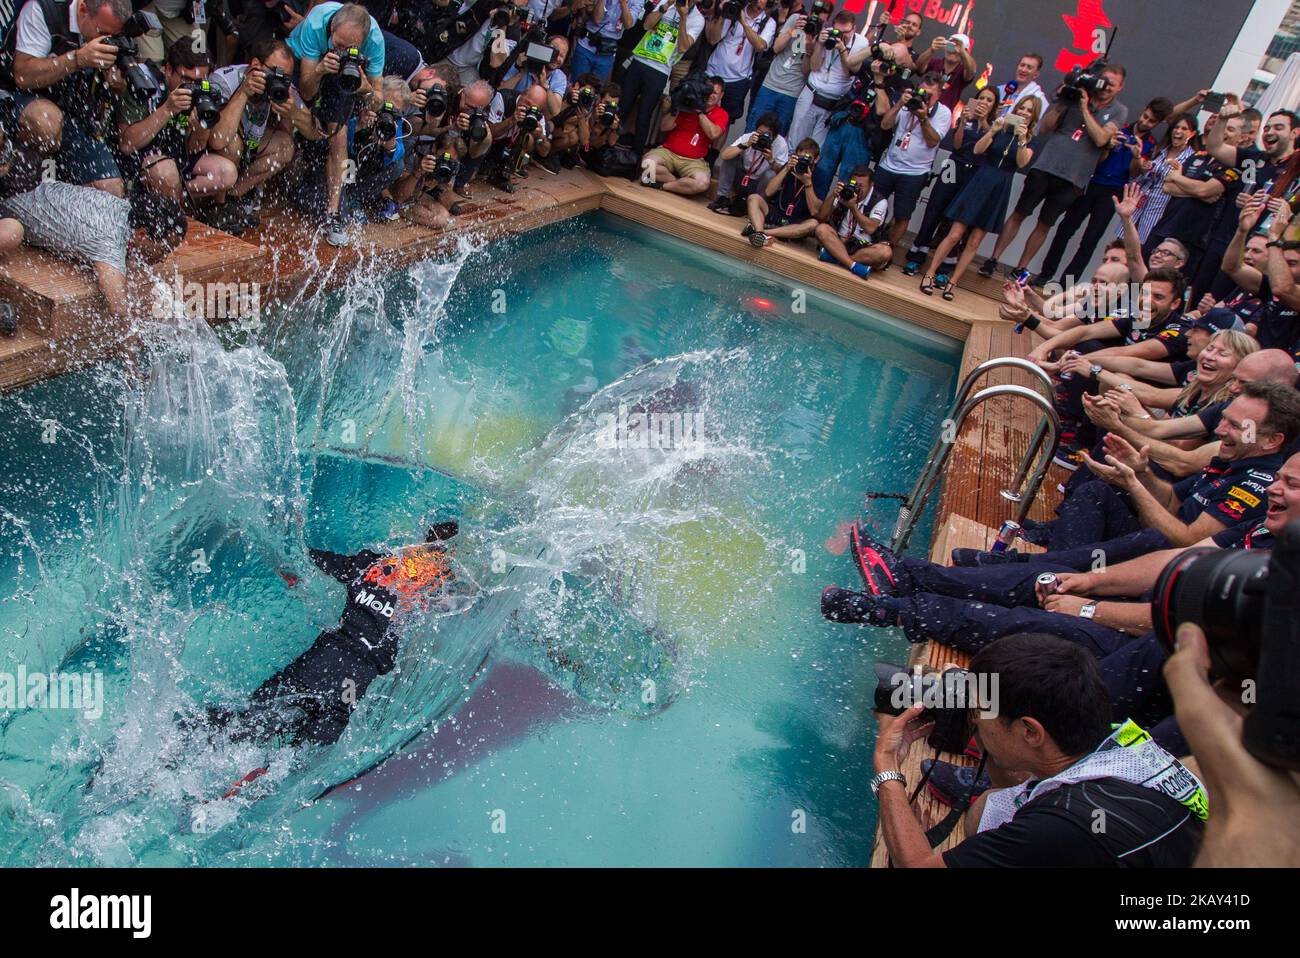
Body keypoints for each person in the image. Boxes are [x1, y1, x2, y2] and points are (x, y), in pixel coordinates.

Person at [871, 634, 1205, 867]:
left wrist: (889, 767)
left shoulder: (1063, 826)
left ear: (1030, 731)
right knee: (988, 808)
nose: (976, 718)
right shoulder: (1123, 745)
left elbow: (915, 865)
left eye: (980, 711)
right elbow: (1004, 793)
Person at [204, 522, 463, 747]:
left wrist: (288, 564)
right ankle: (270, 767)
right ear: (446, 556)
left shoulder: (375, 563)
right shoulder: (435, 586)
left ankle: (193, 734)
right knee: (309, 746)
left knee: (248, 721)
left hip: (323, 659)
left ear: (421, 540)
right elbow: (454, 608)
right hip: (353, 682)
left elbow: (311, 560)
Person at [980, 63, 1128, 280]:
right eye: (1103, 81)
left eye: (1111, 85)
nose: (1105, 87)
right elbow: (1045, 128)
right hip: (1046, 165)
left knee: (1045, 224)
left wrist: (1085, 108)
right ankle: (993, 259)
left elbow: (1101, 139)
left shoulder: (1118, 110)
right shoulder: (1076, 94)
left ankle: (1020, 268)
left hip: (1074, 178)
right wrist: (1063, 102)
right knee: (1020, 213)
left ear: (1120, 88)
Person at [1036, 97, 1171, 289]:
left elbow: (1134, 173)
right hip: (1092, 182)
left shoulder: (1150, 144)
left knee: (1090, 241)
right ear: (1144, 109)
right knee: (1065, 229)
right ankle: (1045, 274)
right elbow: (1096, 155)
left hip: (1114, 192)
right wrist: (1109, 145)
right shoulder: (1119, 128)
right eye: (1145, 116)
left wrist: (1136, 157)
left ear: (1157, 124)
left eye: (1151, 121)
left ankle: (1065, 284)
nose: (1145, 122)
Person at [2, 0, 134, 195]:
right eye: (101, 32)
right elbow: (23, 76)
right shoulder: (44, 10)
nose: (106, 40)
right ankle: (12, 182)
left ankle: (66, 207)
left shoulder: (110, 28)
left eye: (113, 36)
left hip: (73, 113)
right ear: (82, 8)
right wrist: (77, 59)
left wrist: (117, 84)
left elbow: (112, 94)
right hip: (19, 100)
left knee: (110, 190)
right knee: (46, 122)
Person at [918, 95, 1037, 300]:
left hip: (1000, 188)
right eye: (1022, 108)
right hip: (980, 181)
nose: (1024, 113)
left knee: (974, 242)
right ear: (1016, 110)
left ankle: (952, 283)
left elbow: (1020, 163)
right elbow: (977, 149)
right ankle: (930, 273)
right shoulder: (1000, 129)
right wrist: (993, 129)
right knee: (955, 234)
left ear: (1033, 117)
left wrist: (1022, 139)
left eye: (1029, 111)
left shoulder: (1028, 141)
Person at [286, 1, 386, 245]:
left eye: (347, 47)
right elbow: (308, 92)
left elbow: (377, 103)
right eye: (337, 43)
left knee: (338, 135)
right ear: (332, 28)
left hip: (347, 72)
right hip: (306, 60)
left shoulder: (375, 42)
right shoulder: (316, 24)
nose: (338, 49)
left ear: (361, 43)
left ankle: (333, 214)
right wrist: (320, 70)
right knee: (289, 113)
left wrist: (365, 90)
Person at [203, 39, 323, 234]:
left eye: (284, 76)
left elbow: (314, 133)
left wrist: (295, 113)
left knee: (285, 146)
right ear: (256, 65)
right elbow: (217, 138)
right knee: (232, 144)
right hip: (215, 156)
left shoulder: (282, 88)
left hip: (251, 146)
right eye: (273, 72)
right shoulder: (224, 79)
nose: (277, 79)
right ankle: (217, 205)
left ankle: (233, 199)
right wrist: (243, 92)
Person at [901, 84, 997, 279]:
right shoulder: (965, 116)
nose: (984, 103)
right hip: (954, 165)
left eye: (989, 100)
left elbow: (990, 151)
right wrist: (963, 123)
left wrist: (985, 122)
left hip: (975, 173)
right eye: (982, 98)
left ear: (994, 106)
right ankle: (916, 256)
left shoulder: (996, 126)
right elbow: (957, 145)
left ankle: (945, 267)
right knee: (934, 209)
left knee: (956, 220)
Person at [618, 0, 706, 160]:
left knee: (644, 114)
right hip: (640, 59)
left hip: (661, 69)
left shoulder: (697, 19)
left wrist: (683, 18)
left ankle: (635, 157)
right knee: (623, 106)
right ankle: (606, 144)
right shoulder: (667, 2)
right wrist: (665, 7)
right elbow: (646, 25)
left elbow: (683, 47)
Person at [873, 72, 952, 247]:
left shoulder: (943, 113)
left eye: (930, 96)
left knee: (902, 215)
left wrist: (923, 118)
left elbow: (933, 141)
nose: (925, 98)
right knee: (873, 204)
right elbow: (885, 125)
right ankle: (866, 241)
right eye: (922, 93)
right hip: (889, 165)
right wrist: (901, 103)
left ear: (939, 95)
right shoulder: (907, 104)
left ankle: (887, 250)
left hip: (915, 172)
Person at [785, 8, 866, 148]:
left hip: (833, 102)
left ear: (854, 28)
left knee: (816, 146)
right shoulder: (826, 34)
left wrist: (842, 49)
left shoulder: (860, 43)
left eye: (845, 32)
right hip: (812, 93)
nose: (840, 36)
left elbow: (849, 73)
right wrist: (820, 45)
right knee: (795, 138)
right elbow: (814, 66)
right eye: (837, 31)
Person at [638, 72, 725, 195]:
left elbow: (713, 134)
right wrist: (678, 105)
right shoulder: (688, 103)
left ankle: (663, 185)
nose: (710, 95)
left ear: (721, 95)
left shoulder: (721, 114)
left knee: (702, 183)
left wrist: (700, 111)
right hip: (668, 152)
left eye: (715, 93)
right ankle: (680, 184)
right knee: (647, 164)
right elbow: (664, 127)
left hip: (694, 161)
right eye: (708, 91)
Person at [701, 0, 775, 132]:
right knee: (700, 108)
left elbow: (760, 46)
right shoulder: (734, 10)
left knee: (726, 120)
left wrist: (744, 23)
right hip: (713, 71)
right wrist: (724, 14)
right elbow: (713, 39)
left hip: (738, 79)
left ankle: (713, 152)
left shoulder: (768, 22)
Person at [740, 135, 819, 248]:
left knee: (813, 224)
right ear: (795, 156)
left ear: (816, 159)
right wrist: (787, 169)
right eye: (801, 158)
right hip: (777, 214)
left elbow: (815, 212)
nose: (804, 163)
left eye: (808, 159)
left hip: (795, 223)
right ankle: (761, 233)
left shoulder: (820, 175)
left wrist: (808, 184)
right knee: (753, 198)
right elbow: (768, 192)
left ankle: (761, 233)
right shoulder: (790, 166)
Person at [813, 164, 888, 279]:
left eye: (861, 186)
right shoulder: (846, 191)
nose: (856, 189)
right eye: (854, 184)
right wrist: (833, 196)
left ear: (871, 185)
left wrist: (853, 207)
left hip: (863, 247)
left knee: (885, 252)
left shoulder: (880, 201)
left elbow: (870, 228)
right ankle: (852, 265)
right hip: (839, 241)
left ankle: (835, 257)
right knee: (821, 229)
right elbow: (821, 216)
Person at [708, 110, 786, 214]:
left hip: (758, 185)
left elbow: (783, 174)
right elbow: (724, 155)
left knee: (771, 174)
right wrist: (745, 145)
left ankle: (756, 205)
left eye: (766, 135)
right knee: (731, 157)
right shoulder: (750, 136)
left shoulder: (781, 144)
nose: (761, 137)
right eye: (759, 132)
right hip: (741, 177)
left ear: (775, 136)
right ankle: (723, 198)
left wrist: (771, 161)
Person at [744, 5, 805, 135]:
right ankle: (742, 153)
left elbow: (810, 68)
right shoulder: (796, 19)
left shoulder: (822, 33)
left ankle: (769, 155)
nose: (819, 14)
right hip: (771, 85)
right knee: (754, 126)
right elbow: (776, 48)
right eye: (817, 10)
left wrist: (811, 41)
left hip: (792, 92)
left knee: (778, 133)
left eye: (824, 12)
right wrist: (792, 30)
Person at [571, 0, 643, 81]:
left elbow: (628, 24)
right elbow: (597, 19)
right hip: (586, 45)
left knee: (596, 89)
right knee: (576, 83)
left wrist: (623, 3)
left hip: (607, 52)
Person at [992, 52, 1049, 119]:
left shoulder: (1039, 99)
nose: (1023, 70)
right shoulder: (1000, 90)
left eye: (1029, 67)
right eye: (1022, 65)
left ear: (1036, 74)